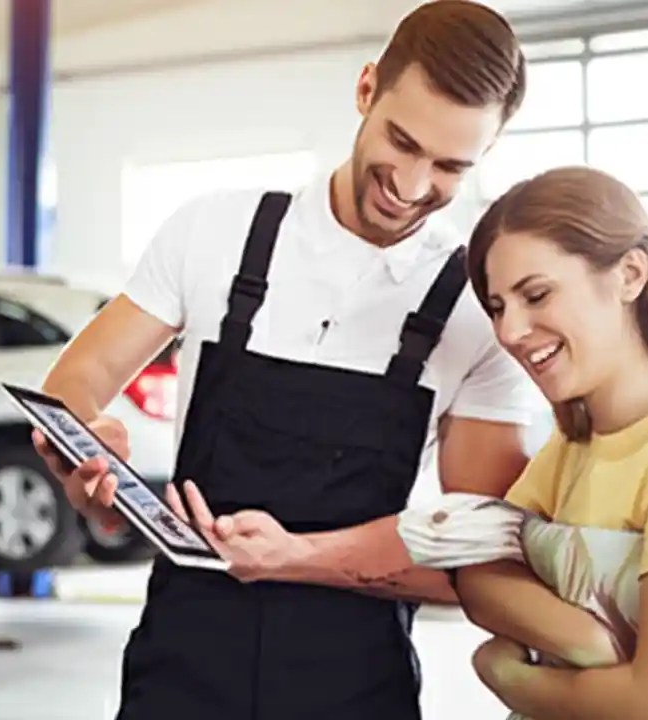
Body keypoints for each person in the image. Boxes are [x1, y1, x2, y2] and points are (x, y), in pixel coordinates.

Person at [34, 2, 537, 717]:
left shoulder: (477, 310)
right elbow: (73, 386)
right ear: (365, 89)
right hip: (181, 666)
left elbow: (480, 563)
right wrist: (91, 456)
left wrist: (297, 557)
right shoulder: (213, 231)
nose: (414, 184)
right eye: (402, 141)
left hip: (356, 684)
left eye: (451, 166)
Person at [394, 166, 648, 720]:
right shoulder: (572, 446)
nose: (510, 331)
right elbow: (476, 568)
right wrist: (591, 643)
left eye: (535, 294)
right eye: (497, 307)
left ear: (630, 275)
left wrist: (506, 672)